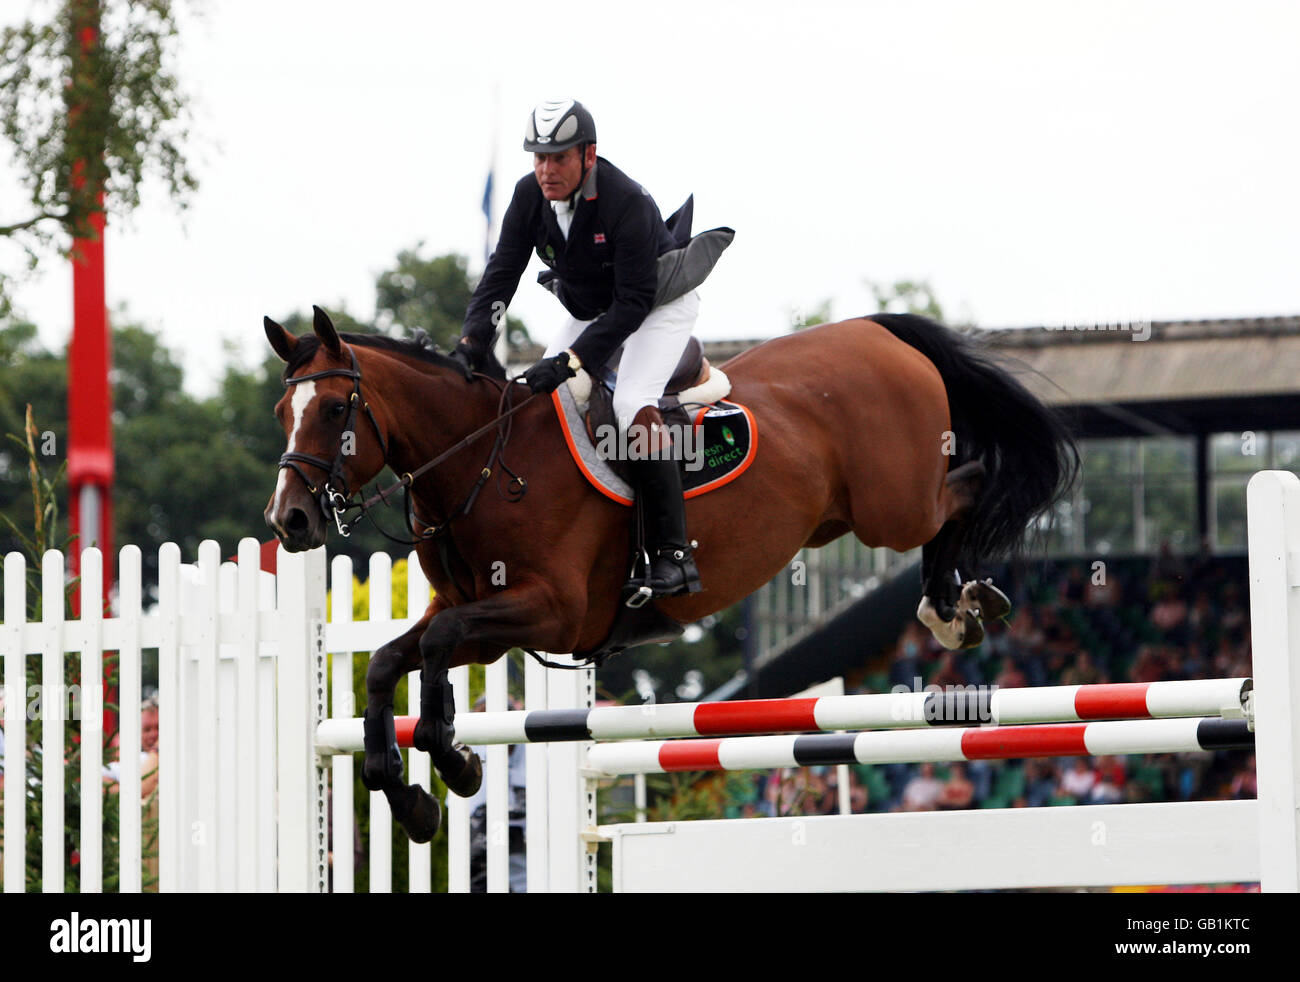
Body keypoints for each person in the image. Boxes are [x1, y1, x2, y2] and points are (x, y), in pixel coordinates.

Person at [456, 99, 731, 597]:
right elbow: (502, 273)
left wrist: (570, 360)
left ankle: (673, 554)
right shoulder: (528, 196)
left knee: (629, 404)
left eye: (558, 157)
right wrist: (473, 338)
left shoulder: (622, 199)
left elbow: (632, 305)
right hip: (603, 306)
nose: (546, 170)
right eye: (538, 158)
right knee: (541, 400)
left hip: (658, 305)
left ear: (588, 155)